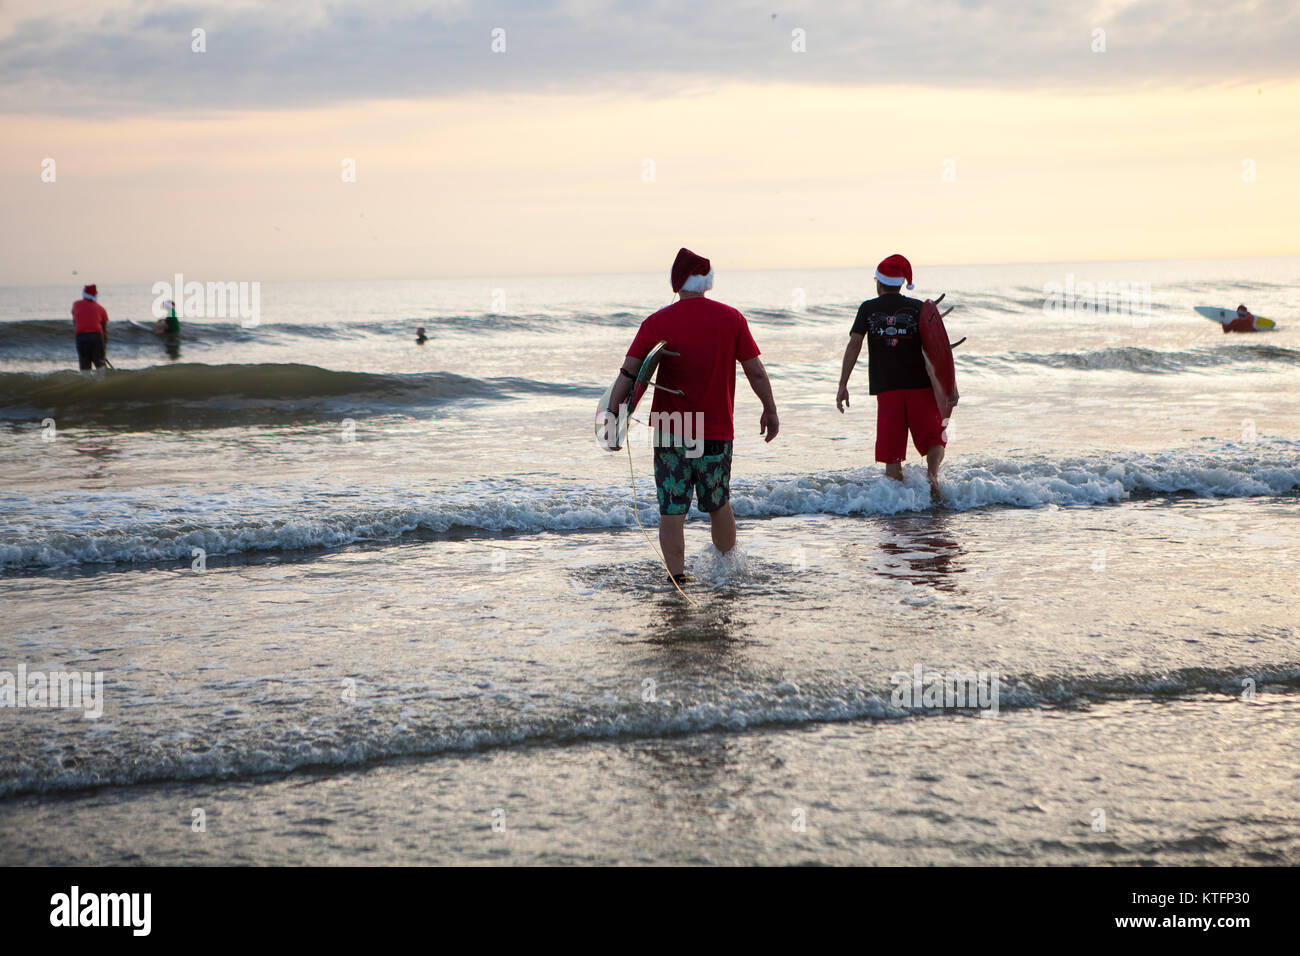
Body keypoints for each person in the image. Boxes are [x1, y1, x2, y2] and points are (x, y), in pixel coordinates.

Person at [608, 248, 779, 586]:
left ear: (676, 282)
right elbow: (755, 371)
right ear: (706, 282)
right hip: (716, 427)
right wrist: (769, 409)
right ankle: (729, 570)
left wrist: (613, 414)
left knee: (672, 508)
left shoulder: (657, 322)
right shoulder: (731, 318)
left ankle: (677, 579)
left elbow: (630, 373)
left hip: (673, 428)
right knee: (718, 501)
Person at [836, 254, 946, 497]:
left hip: (887, 390)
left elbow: (854, 345)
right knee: (934, 438)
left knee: (892, 453)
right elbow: (938, 351)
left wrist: (843, 384)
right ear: (901, 282)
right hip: (921, 386)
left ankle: (896, 506)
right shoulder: (919, 307)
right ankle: (933, 475)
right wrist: (949, 388)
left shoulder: (867, 308)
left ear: (878, 282)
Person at [71, 283, 109, 370]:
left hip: (81, 336)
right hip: (97, 336)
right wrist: (104, 346)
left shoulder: (76, 304)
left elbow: (75, 321)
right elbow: (104, 330)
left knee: (85, 365)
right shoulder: (101, 309)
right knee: (100, 365)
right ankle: (102, 381)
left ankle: (86, 381)